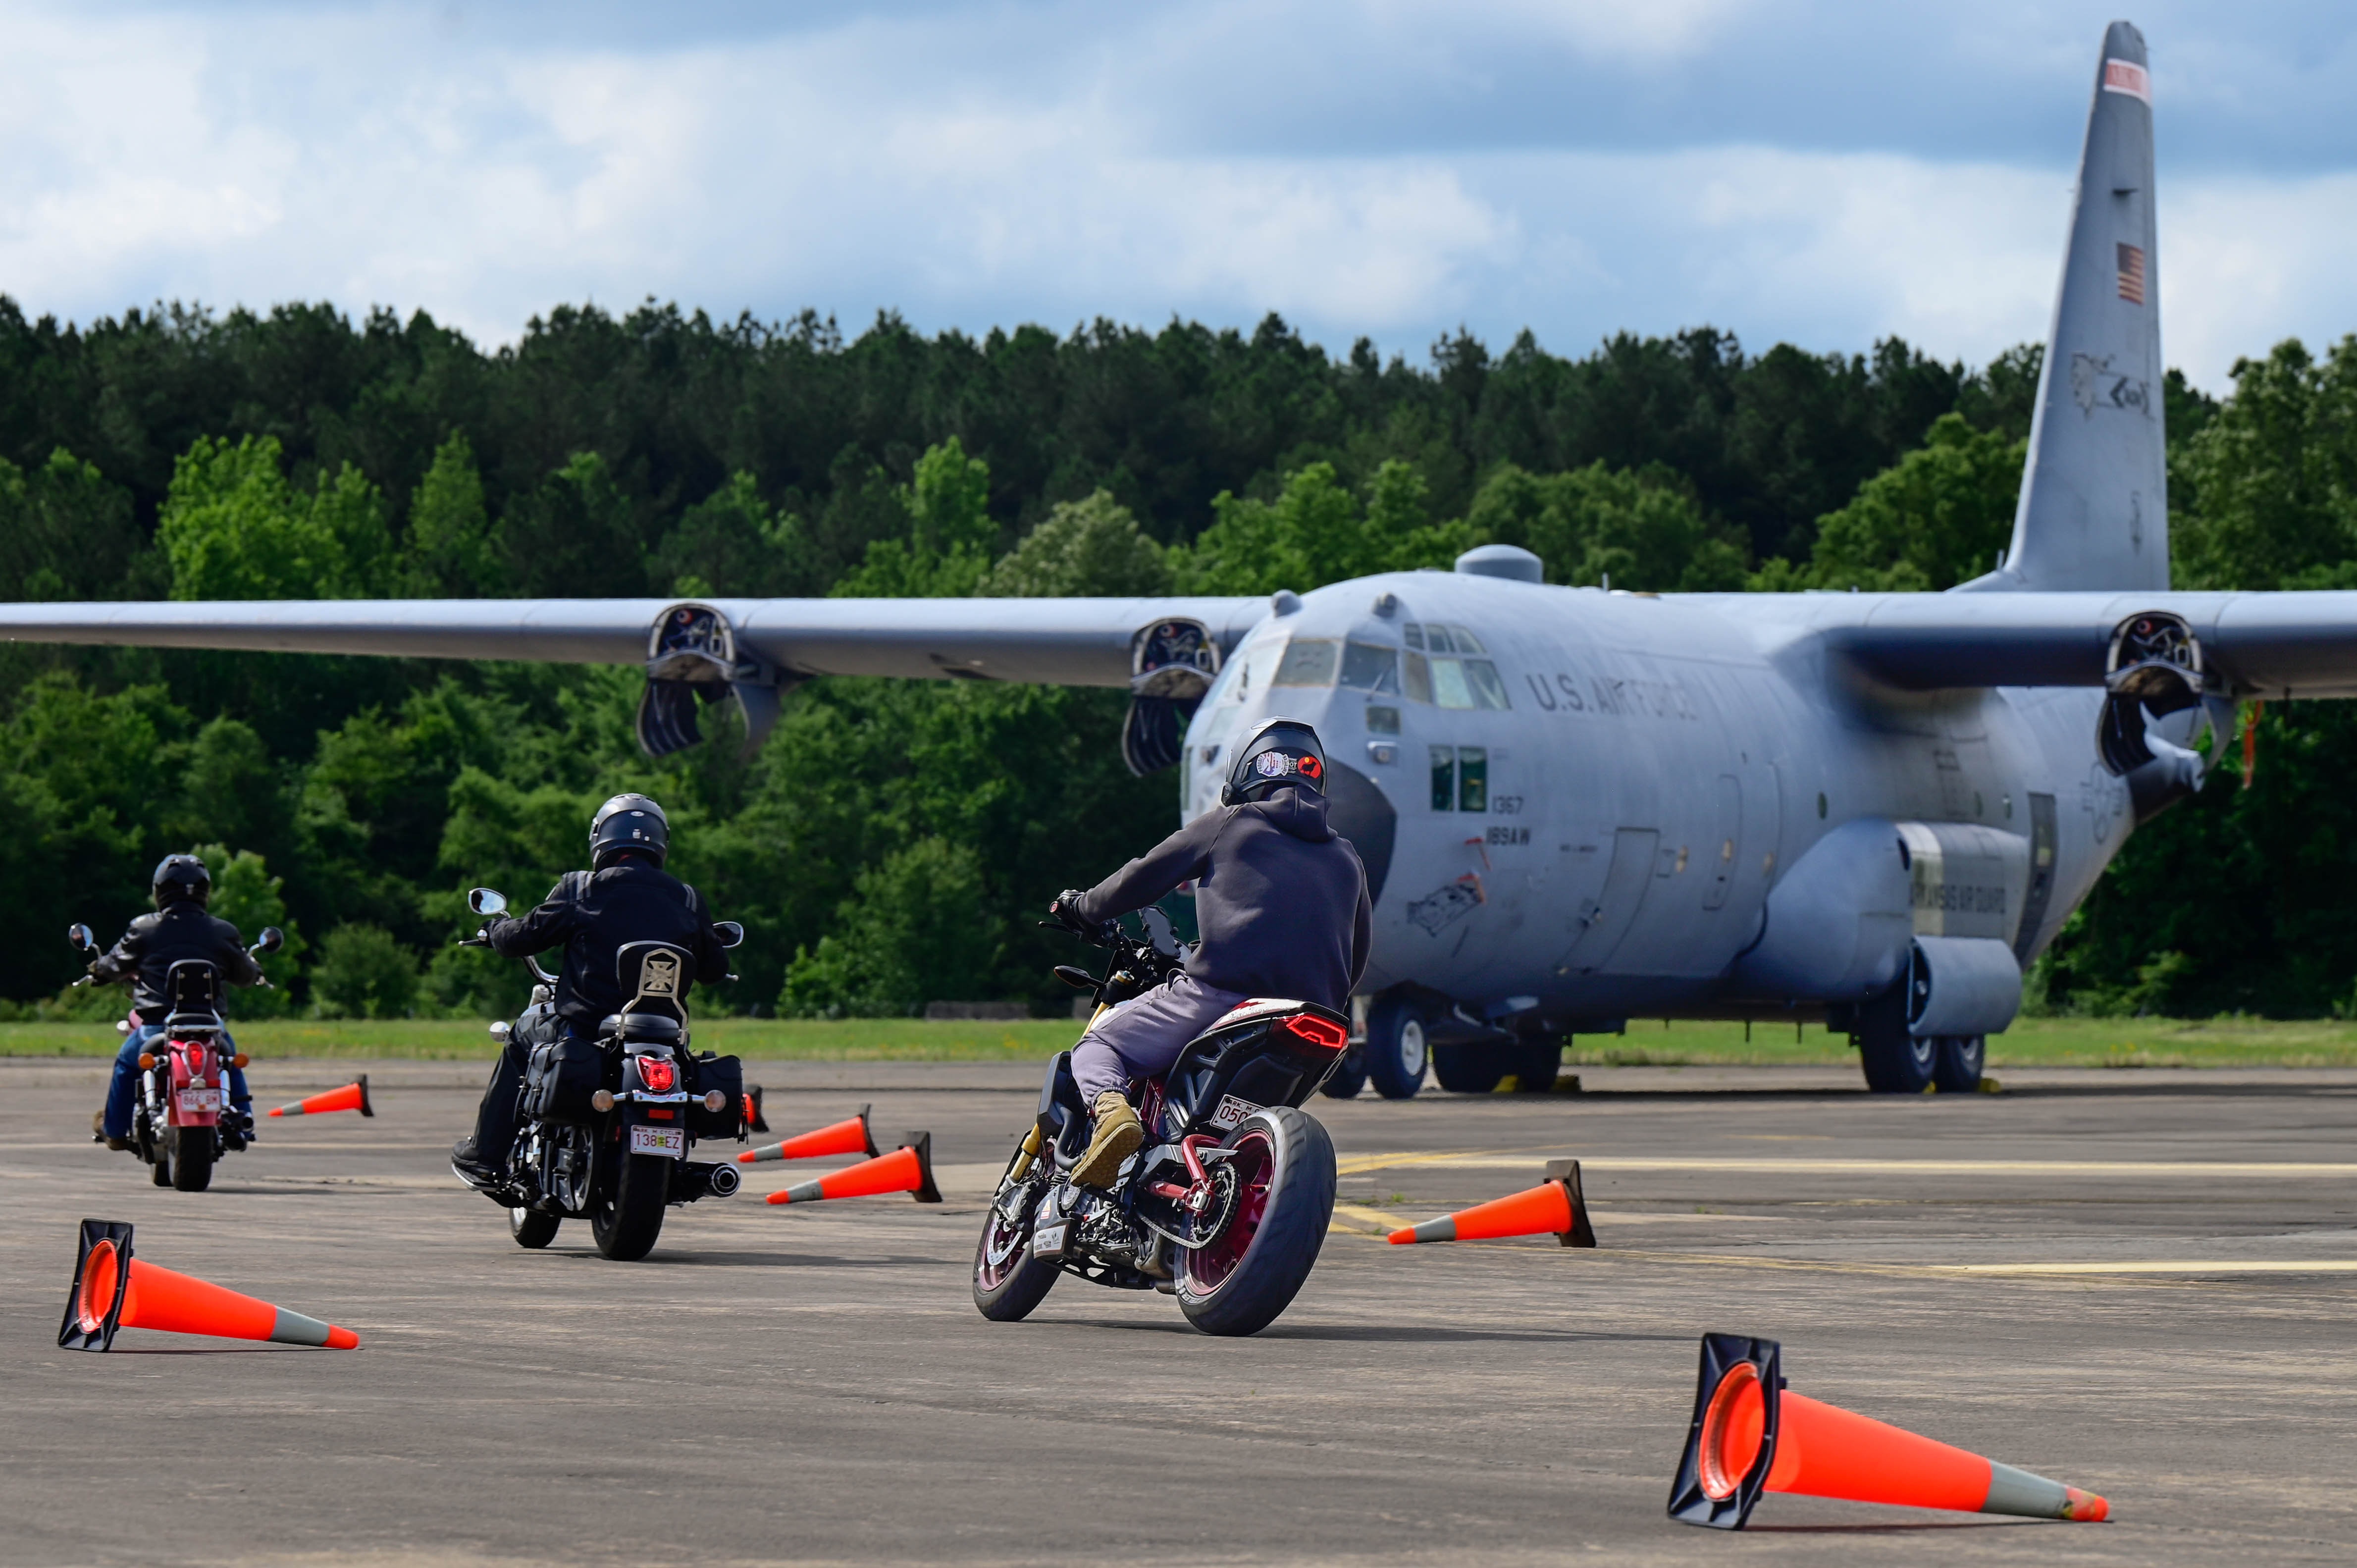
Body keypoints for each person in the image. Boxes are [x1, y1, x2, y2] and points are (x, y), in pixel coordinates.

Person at [1049, 717, 1371, 1189]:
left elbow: (1141, 877)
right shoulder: (1347, 857)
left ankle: (1113, 1115)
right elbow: (1357, 953)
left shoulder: (1232, 823)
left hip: (1224, 995)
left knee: (1101, 1045)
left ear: (1245, 772)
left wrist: (1084, 907)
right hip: (1319, 1021)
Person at [450, 793, 734, 1189]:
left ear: (601, 838)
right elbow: (715, 969)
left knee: (521, 1035)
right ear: (660, 843)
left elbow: (524, 937)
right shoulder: (686, 898)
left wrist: (495, 931)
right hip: (663, 1036)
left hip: (585, 1026)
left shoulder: (581, 888)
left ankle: (486, 1156)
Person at [89, 854, 265, 1151]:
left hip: (156, 1024)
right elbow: (246, 976)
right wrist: (256, 971)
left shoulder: (144, 928)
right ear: (205, 892)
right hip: (209, 1025)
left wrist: (98, 971)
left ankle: (116, 1132)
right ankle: (244, 1121)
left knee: (125, 1064)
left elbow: (115, 964)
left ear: (160, 891)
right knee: (230, 1061)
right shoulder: (223, 931)